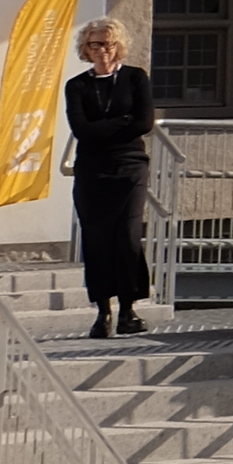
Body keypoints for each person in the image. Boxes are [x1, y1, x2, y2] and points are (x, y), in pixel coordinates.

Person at [63, 18, 155, 337]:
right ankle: (103, 312)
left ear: (119, 46)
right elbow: (81, 129)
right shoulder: (77, 86)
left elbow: (144, 122)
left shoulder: (134, 78)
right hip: (92, 170)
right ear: (85, 49)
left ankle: (129, 309)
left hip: (130, 166)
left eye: (109, 44)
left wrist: (104, 128)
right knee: (97, 238)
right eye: (96, 44)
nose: (103, 50)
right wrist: (121, 122)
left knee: (127, 235)